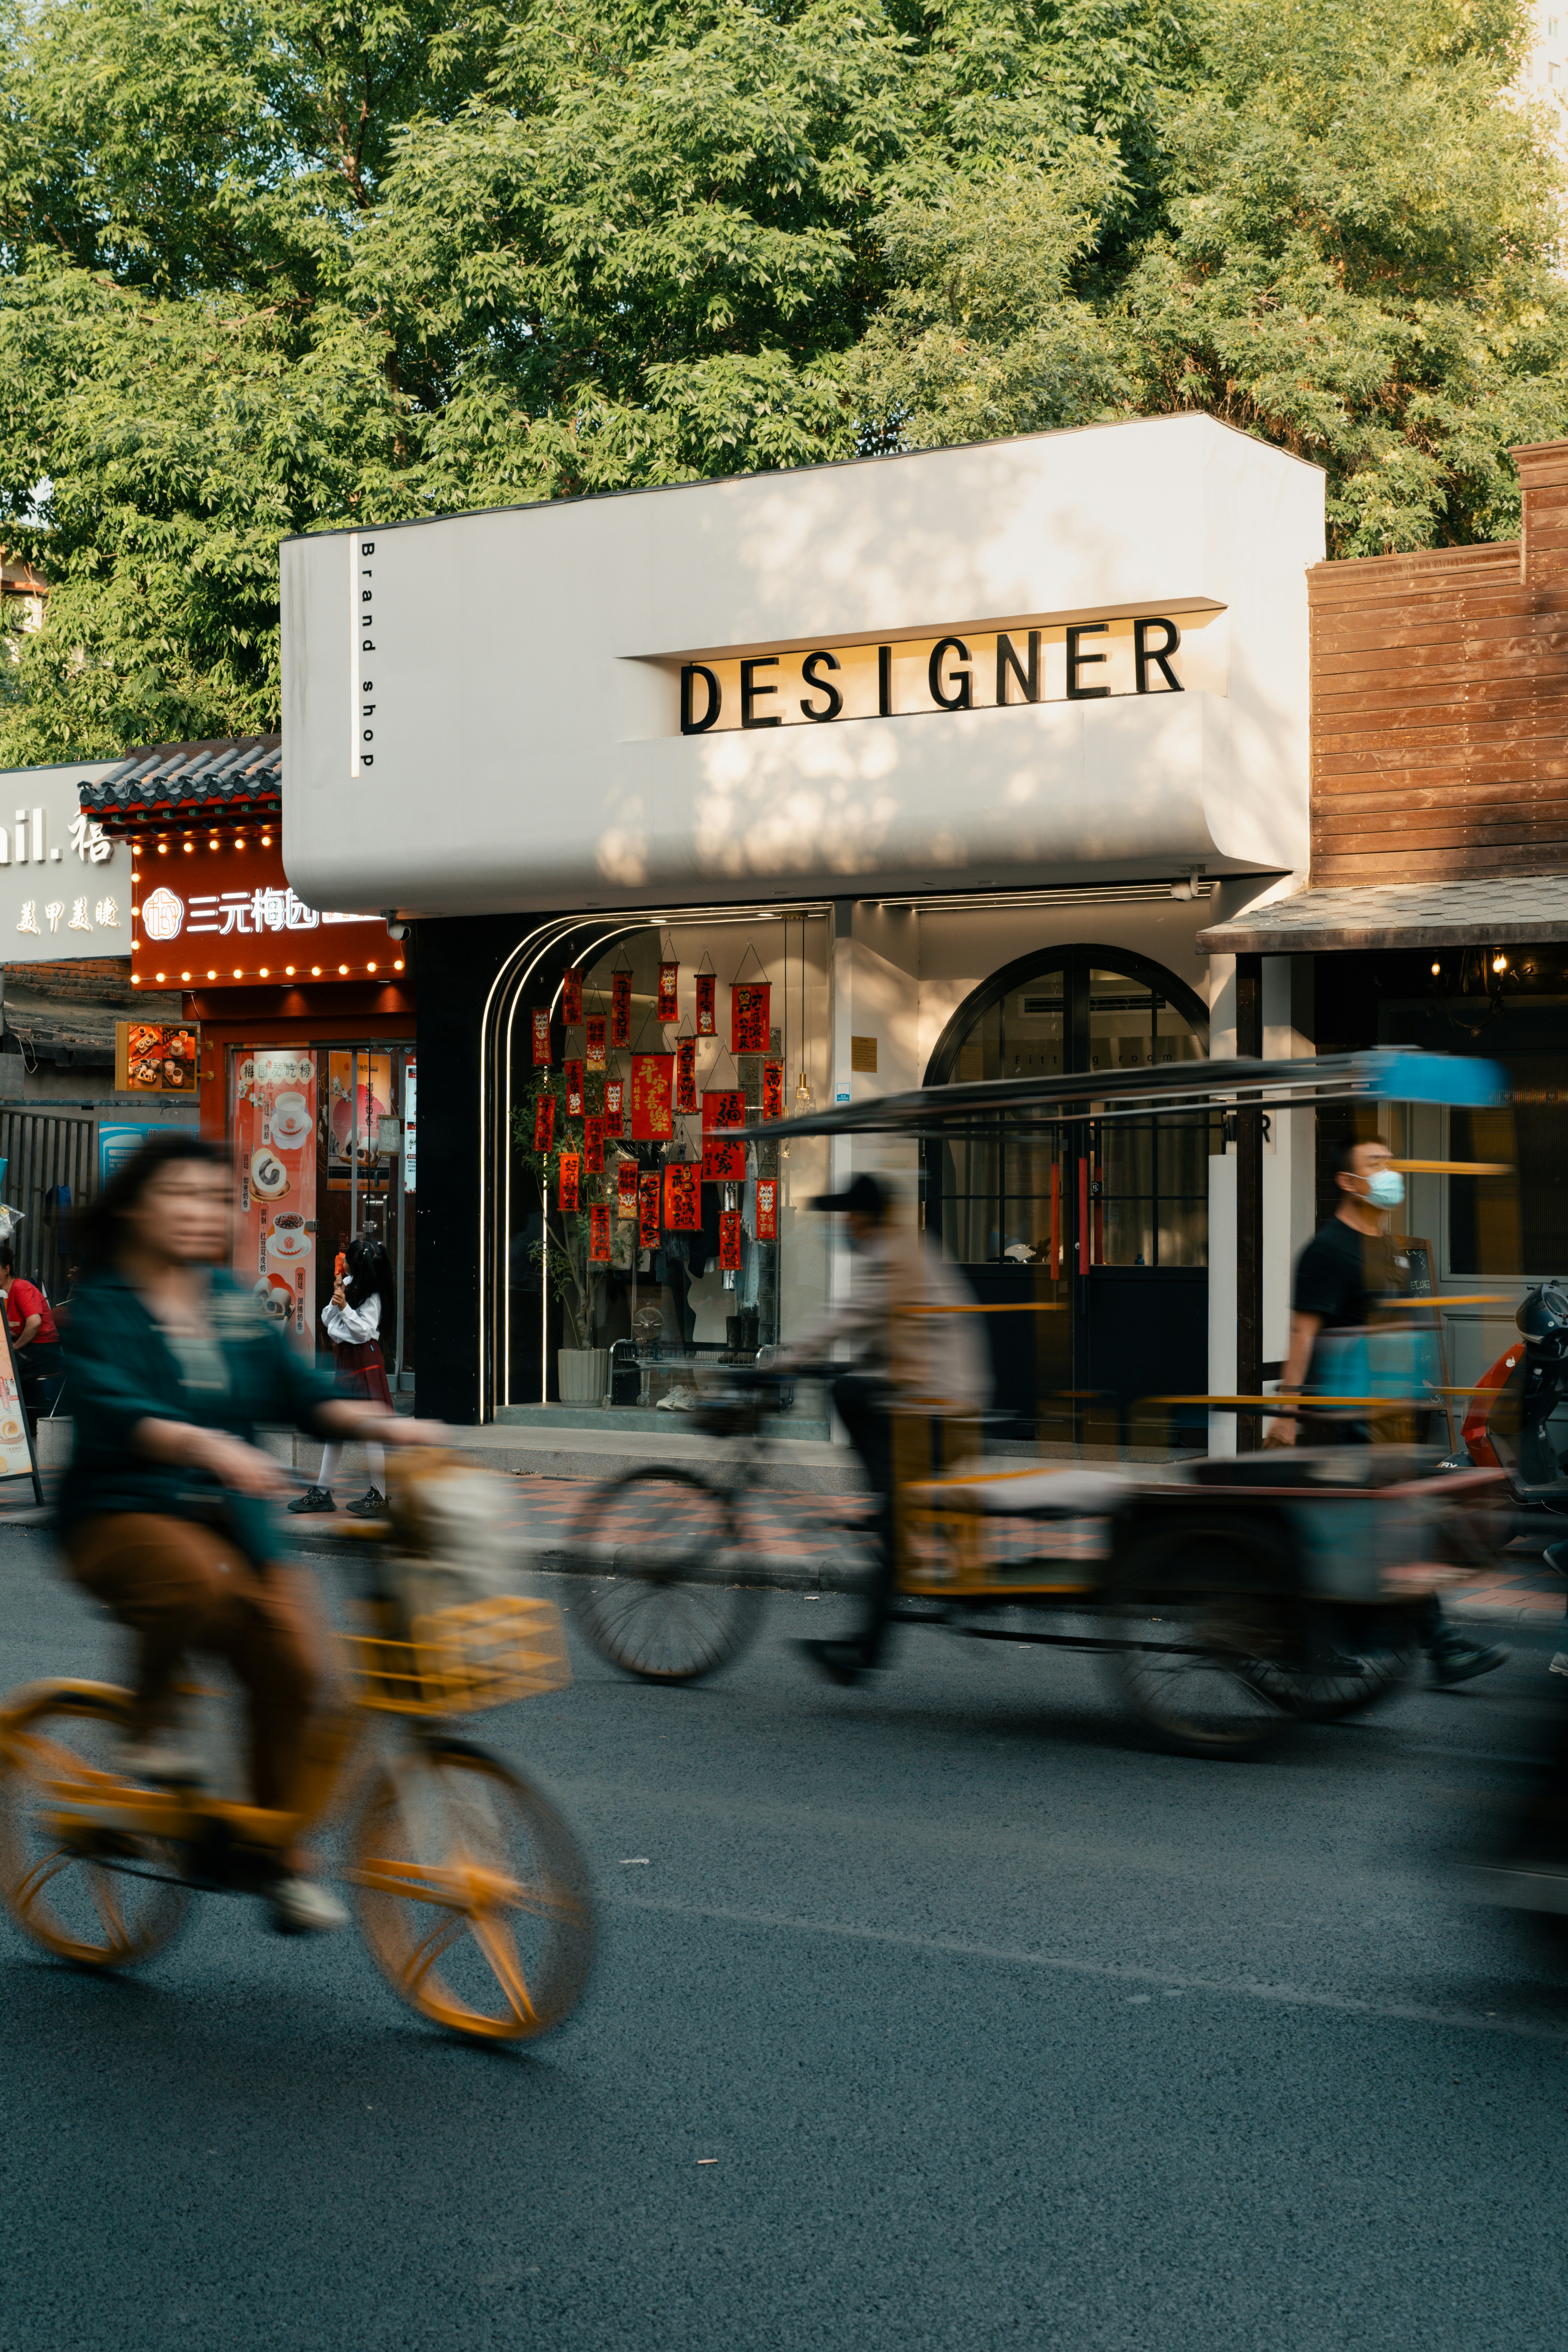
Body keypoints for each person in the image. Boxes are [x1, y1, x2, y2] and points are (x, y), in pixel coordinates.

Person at [56, 1133, 443, 1931]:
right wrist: (204, 1443)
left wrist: (391, 1429)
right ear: (133, 1208)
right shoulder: (100, 1307)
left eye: (213, 1198)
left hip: (234, 1527)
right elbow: (116, 1408)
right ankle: (145, 1738)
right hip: (121, 1511)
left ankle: (272, 1852)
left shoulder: (231, 1305)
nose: (203, 1213)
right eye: (181, 1197)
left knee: (302, 1670)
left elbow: (299, 1389)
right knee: (197, 1581)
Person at [1267, 1133, 1506, 1688]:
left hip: (1380, 1418)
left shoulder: (1386, 1248)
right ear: (1347, 1182)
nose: (1387, 1172)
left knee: (1381, 1533)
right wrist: (1285, 1410)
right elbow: (1303, 1334)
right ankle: (1434, 1646)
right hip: (1337, 1421)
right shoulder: (1327, 1250)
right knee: (1380, 1531)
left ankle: (1330, 1642)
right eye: (1374, 1164)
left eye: (1388, 1162)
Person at [772, 1172, 991, 1685]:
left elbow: (849, 1318)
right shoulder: (906, 1249)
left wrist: (786, 1359)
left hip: (937, 1411)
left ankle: (865, 1646)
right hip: (932, 1399)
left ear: (865, 1217)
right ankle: (890, 1502)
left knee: (850, 1399)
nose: (843, 1224)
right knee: (851, 1390)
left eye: (849, 1214)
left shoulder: (890, 1256)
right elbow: (880, 1331)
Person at [288, 1236, 396, 1518]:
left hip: (366, 1358)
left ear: (357, 1266)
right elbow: (327, 1321)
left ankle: (380, 1495)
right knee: (336, 1428)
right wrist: (338, 1298)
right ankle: (322, 1493)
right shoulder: (349, 1285)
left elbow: (363, 1332)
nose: (342, 1261)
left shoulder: (374, 1296)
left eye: (346, 1258)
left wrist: (345, 1307)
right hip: (348, 1358)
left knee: (371, 1430)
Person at [0, 1238, 64, 1425]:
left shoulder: (22, 1288)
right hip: (30, 1349)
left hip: (45, 1351)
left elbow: (35, 1322)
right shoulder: (4, 1295)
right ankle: (33, 1422)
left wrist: (17, 1345)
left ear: (7, 1269)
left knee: (5, 1367)